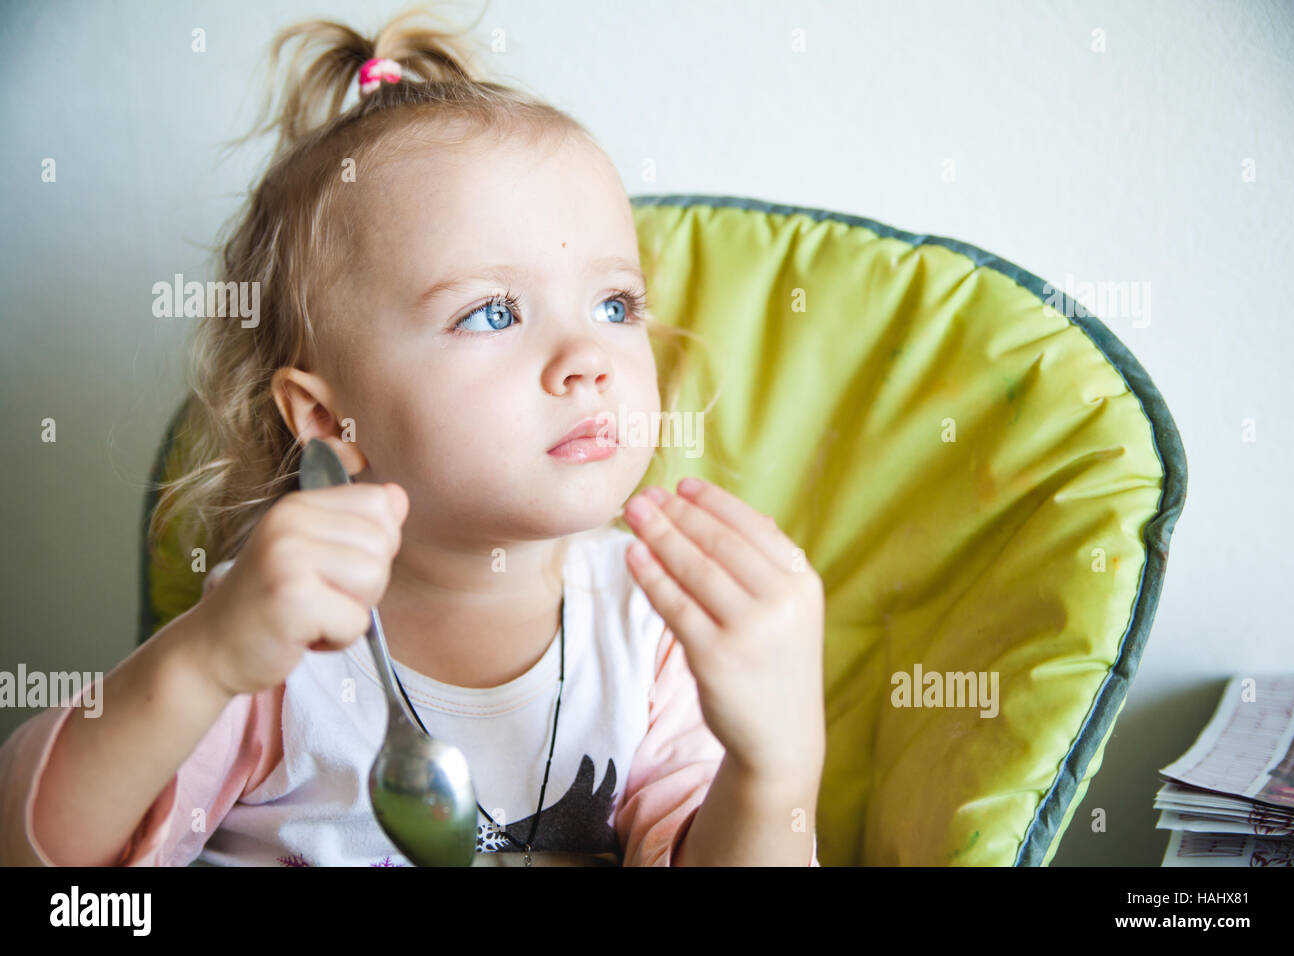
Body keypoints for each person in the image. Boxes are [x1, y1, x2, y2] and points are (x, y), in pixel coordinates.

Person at [0, 5, 824, 867]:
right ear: (327, 421)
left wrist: (774, 768)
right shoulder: (272, 634)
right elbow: (44, 863)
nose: (589, 358)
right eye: (493, 312)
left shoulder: (653, 633)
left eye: (615, 304)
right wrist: (203, 663)